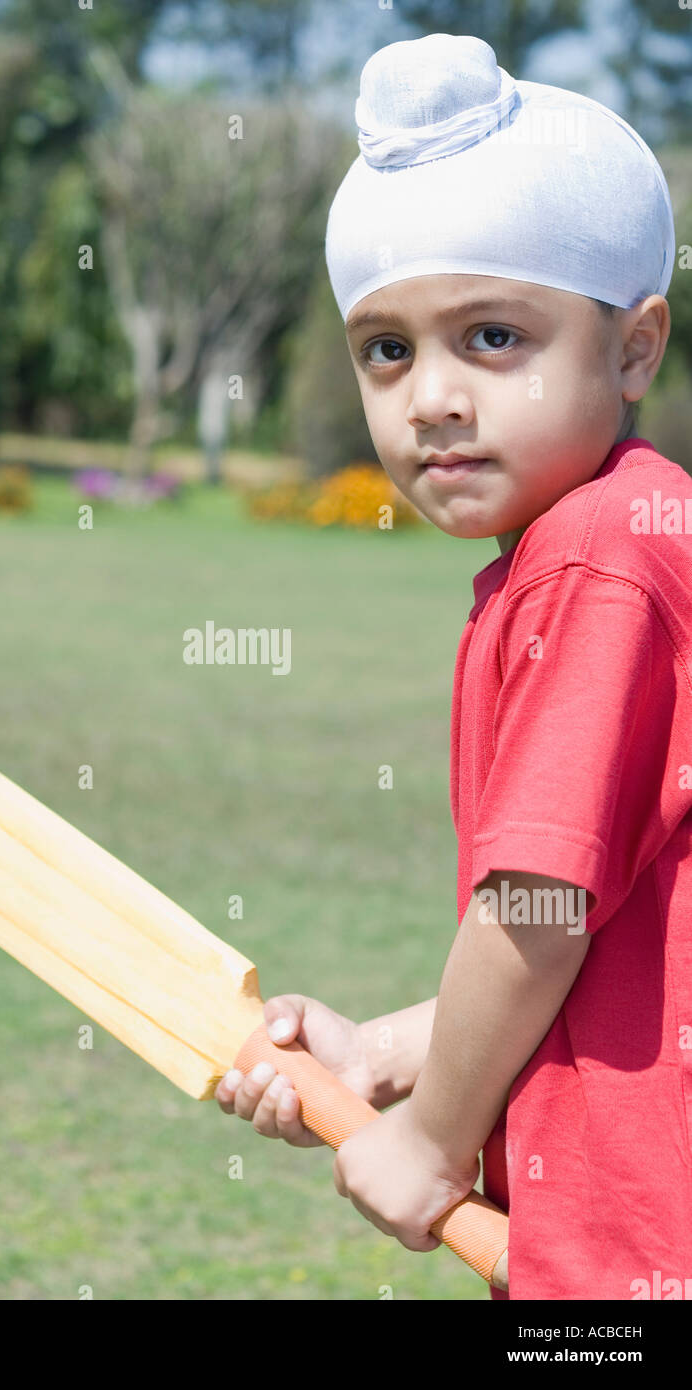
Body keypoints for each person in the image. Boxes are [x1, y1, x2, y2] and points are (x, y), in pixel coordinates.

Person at [217, 33, 692, 1300]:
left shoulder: (594, 558)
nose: (429, 397)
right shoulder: (626, 540)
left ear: (635, 347)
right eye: (387, 349)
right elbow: (620, 944)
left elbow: (535, 910)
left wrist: (430, 1141)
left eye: (490, 336)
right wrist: (385, 1055)